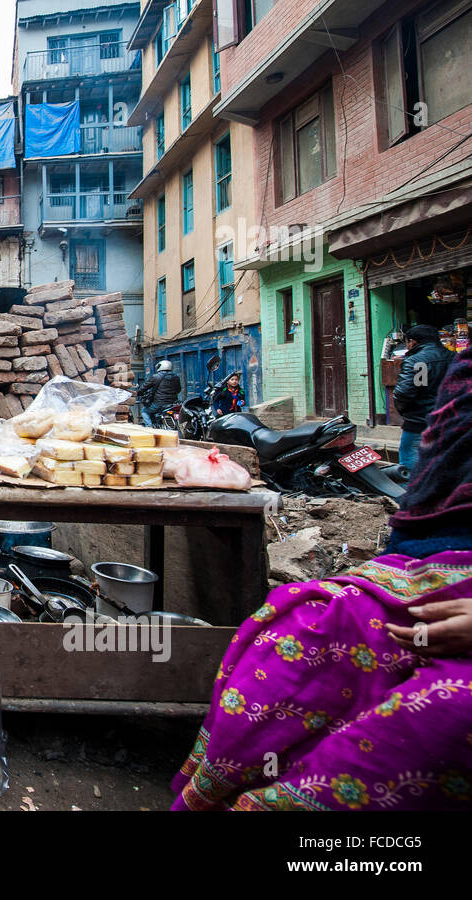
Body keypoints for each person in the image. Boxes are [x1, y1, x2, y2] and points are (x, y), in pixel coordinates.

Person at [172, 343, 472, 810]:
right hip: (435, 553)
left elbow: (416, 406)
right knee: (294, 629)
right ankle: (212, 793)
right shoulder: (451, 364)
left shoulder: (420, 360)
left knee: (441, 715)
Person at [391, 324, 453, 472]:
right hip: (450, 420)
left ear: (412, 342)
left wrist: (406, 414)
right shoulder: (454, 358)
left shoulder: (417, 361)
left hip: (419, 423)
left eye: (407, 342)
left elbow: (405, 393)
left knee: (409, 467)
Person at [137, 360, 181, 428]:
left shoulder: (156, 377)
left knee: (144, 411)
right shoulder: (176, 377)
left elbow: (144, 387)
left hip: (159, 403)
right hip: (172, 403)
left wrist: (138, 393)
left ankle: (149, 427)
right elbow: (178, 390)